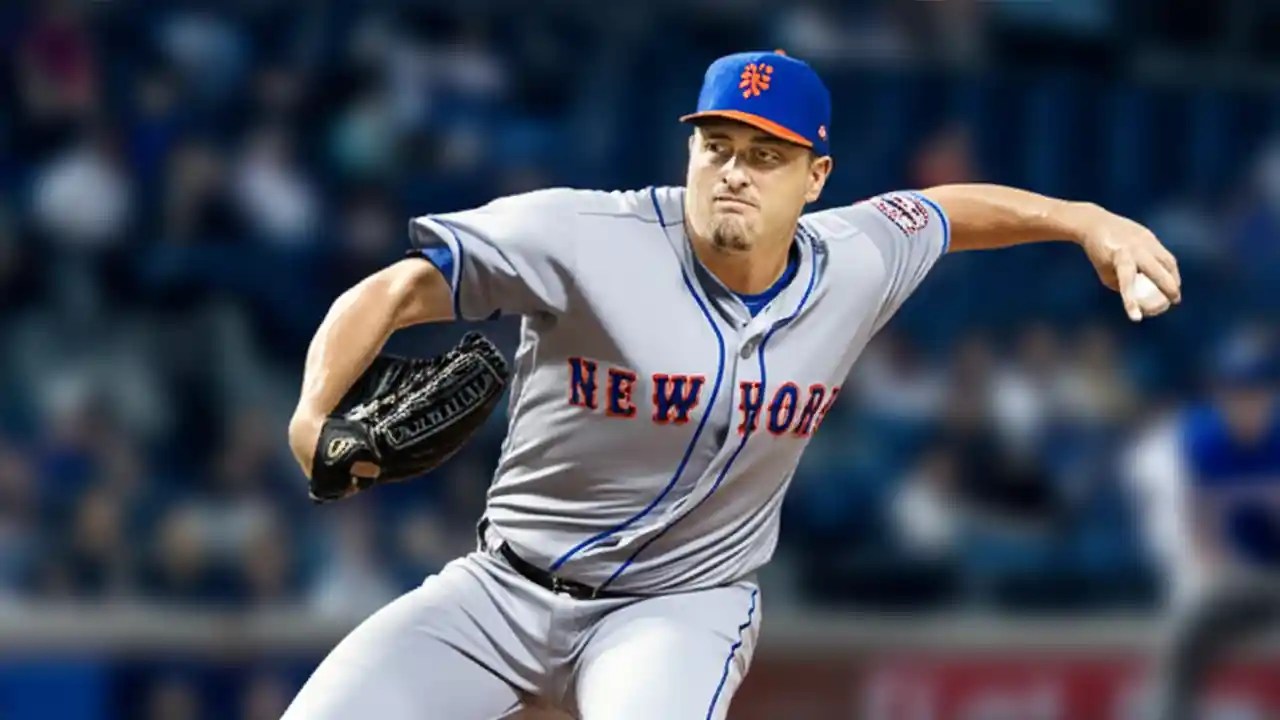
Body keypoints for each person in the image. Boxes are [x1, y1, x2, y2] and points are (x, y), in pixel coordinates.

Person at [283, 50, 1181, 719]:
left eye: (766, 153)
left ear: (815, 178)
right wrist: (314, 415)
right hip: (500, 587)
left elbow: (952, 212)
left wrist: (1086, 221)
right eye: (717, 145)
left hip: (677, 609)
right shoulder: (585, 235)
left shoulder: (856, 259)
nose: (735, 172)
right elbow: (397, 290)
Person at [1126, 329, 1280, 720]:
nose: (1245, 403)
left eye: (1255, 392)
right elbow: (1194, 525)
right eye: (1236, 392)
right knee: (1189, 619)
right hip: (1234, 573)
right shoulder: (1198, 441)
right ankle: (1168, 708)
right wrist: (1213, 568)